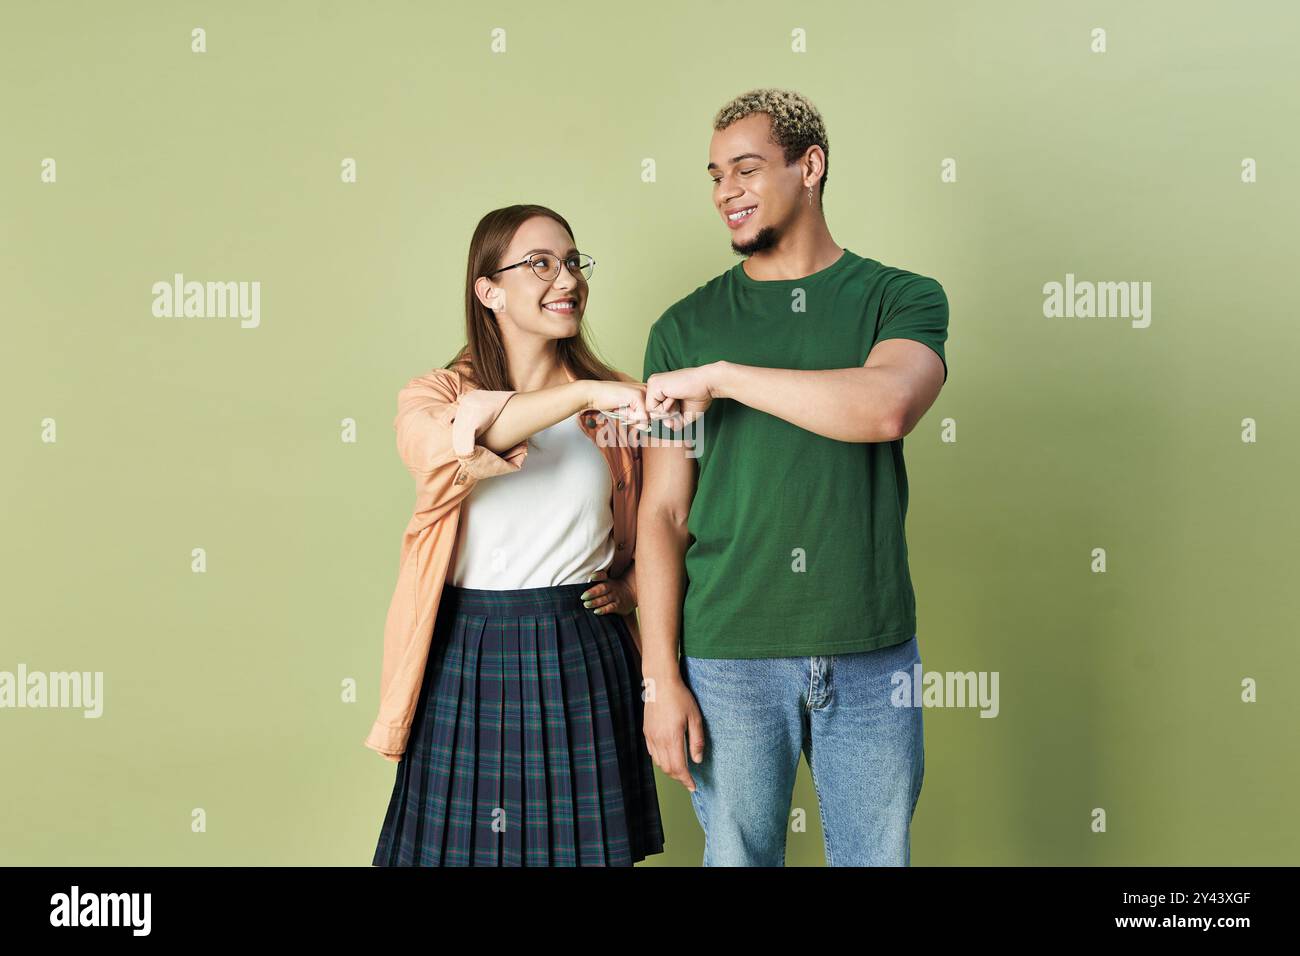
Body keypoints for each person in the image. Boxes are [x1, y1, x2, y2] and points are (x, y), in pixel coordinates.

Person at [637, 89, 950, 866]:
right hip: (727, 654)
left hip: (873, 650)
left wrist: (726, 377)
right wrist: (659, 681)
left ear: (809, 166)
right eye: (714, 176)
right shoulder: (682, 326)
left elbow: (886, 408)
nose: (725, 193)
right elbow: (663, 515)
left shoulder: (899, 297)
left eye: (745, 169)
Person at [368, 204, 665, 866]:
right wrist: (585, 393)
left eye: (571, 262)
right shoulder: (433, 395)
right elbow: (448, 448)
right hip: (465, 649)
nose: (566, 279)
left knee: (581, 853)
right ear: (488, 290)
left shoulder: (619, 403)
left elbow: (675, 518)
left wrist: (635, 583)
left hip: (581, 643)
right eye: (540, 264)